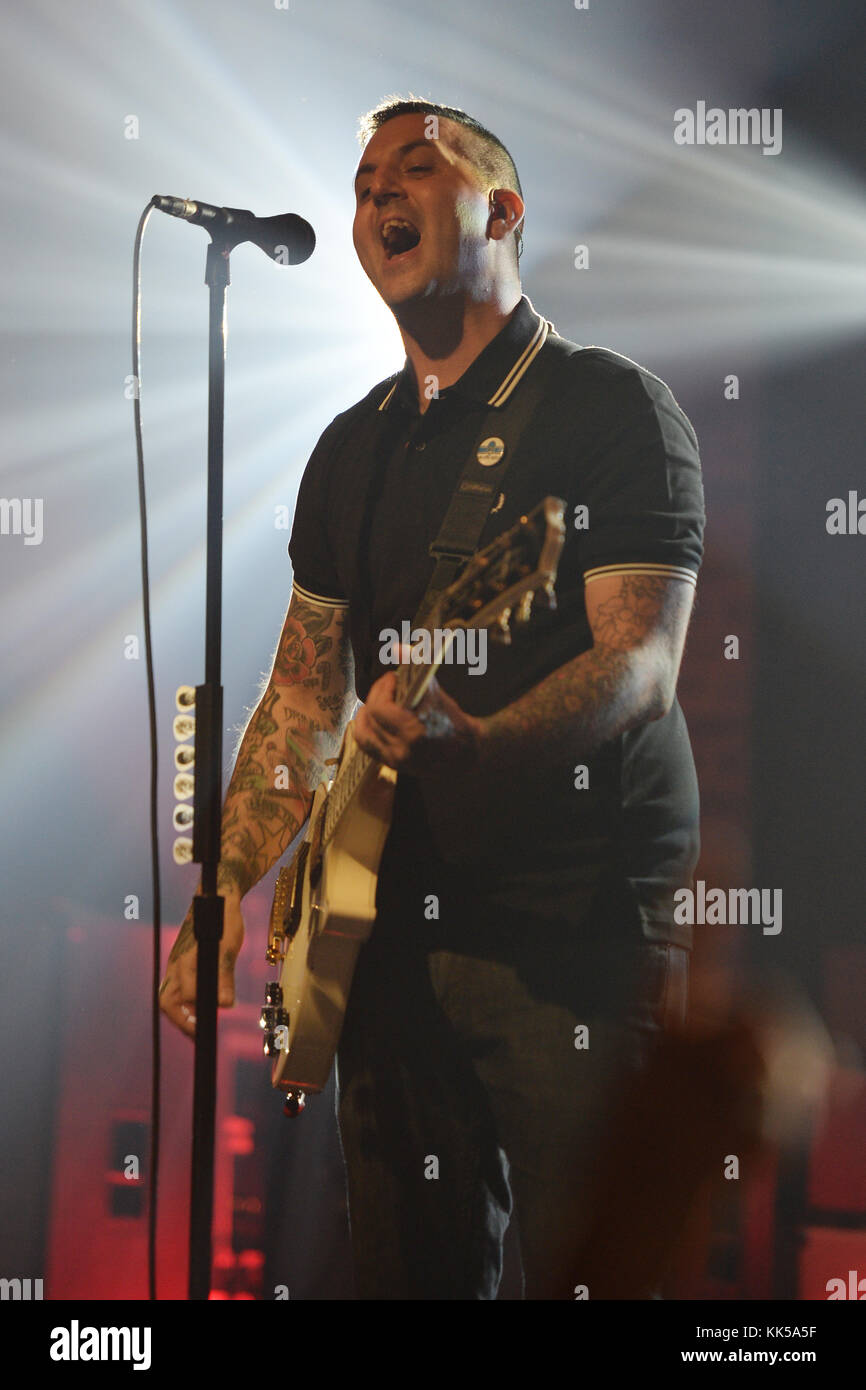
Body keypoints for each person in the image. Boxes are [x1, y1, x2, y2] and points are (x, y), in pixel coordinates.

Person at [160, 97, 706, 1300]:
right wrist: (223, 890)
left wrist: (484, 740)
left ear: (500, 212)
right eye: (364, 184)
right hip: (385, 940)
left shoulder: (609, 407)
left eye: (415, 170)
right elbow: (302, 697)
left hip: (566, 935)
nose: (377, 197)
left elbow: (639, 665)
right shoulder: (349, 448)